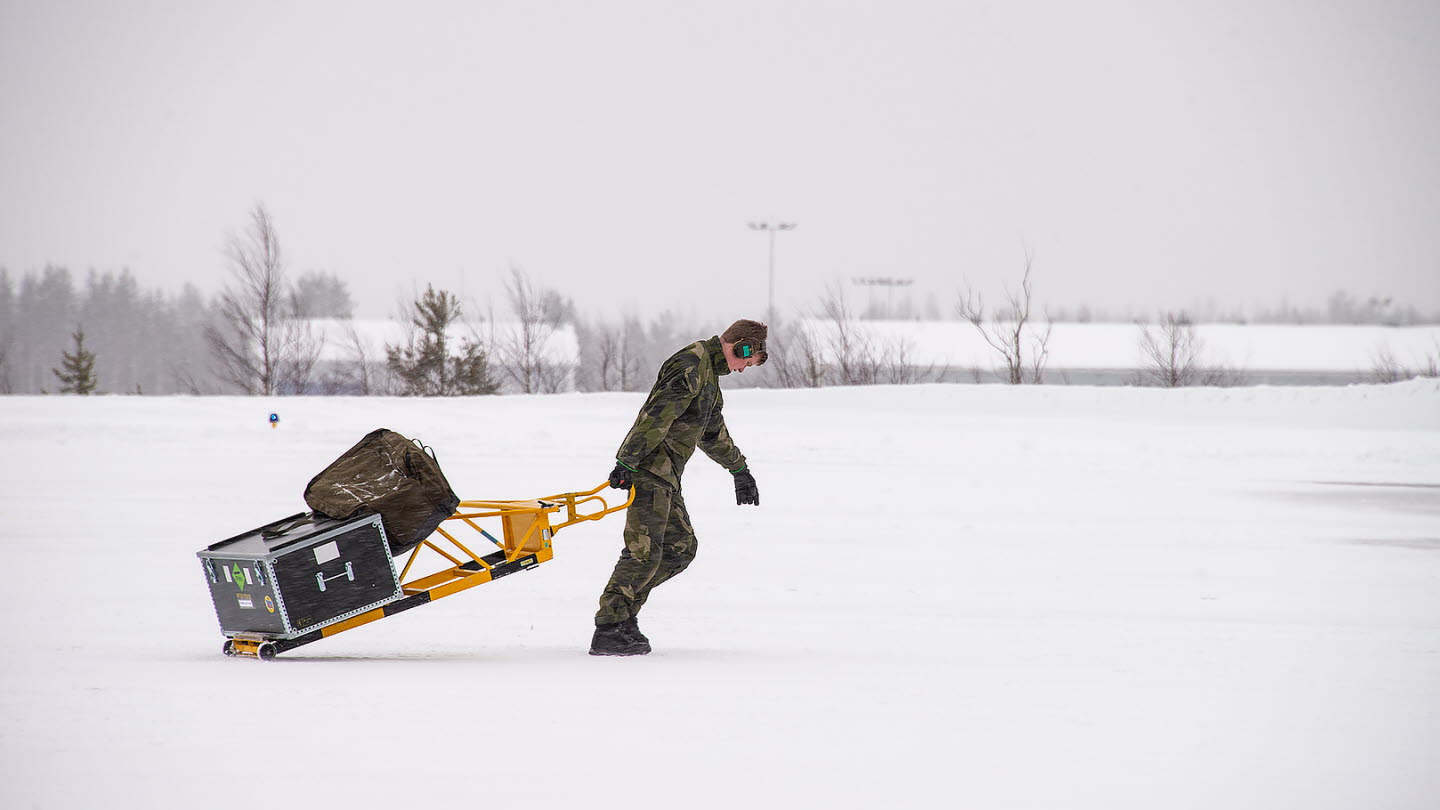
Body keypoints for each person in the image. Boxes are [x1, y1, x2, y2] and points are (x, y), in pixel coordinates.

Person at [590, 319, 767, 656]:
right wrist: (628, 461)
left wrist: (739, 470)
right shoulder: (691, 365)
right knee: (644, 552)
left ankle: (624, 617)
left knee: (680, 548)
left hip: (667, 473)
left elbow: (712, 432)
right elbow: (656, 417)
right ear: (742, 346)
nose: (744, 369)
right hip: (649, 469)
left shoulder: (709, 376)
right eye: (747, 360)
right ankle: (609, 628)